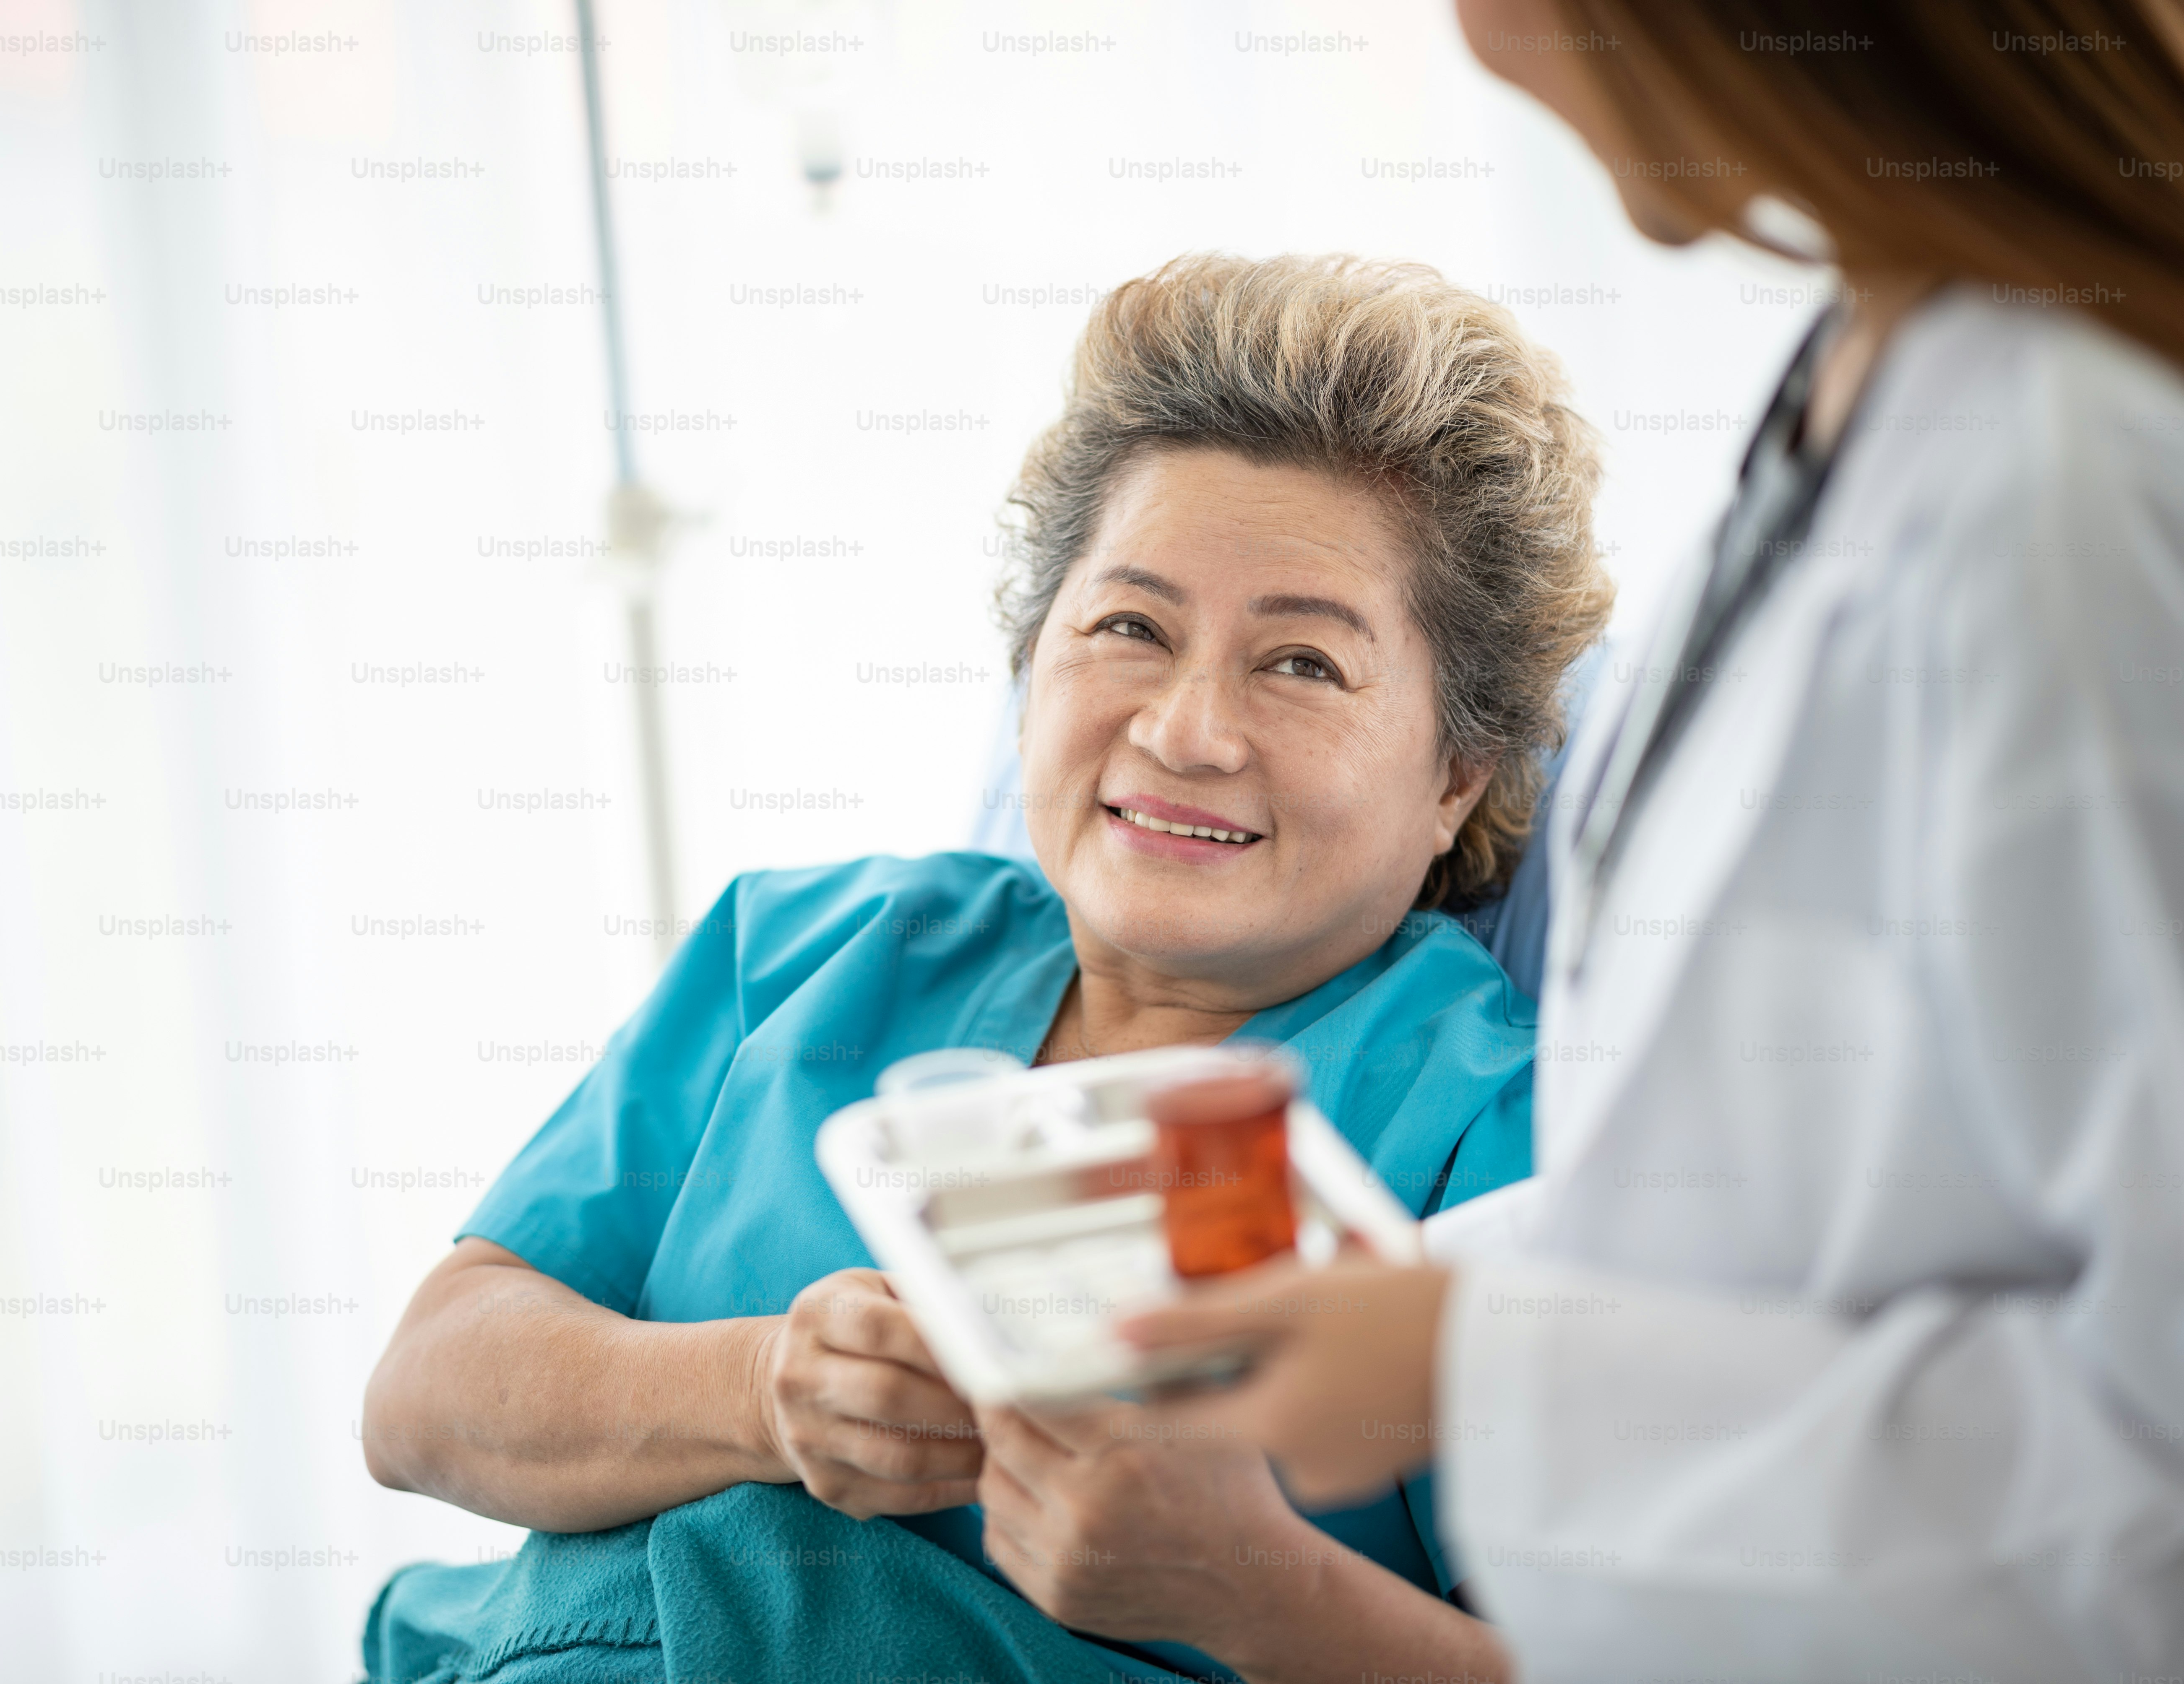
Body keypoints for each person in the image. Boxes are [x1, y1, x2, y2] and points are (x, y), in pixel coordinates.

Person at [357, 253, 1611, 1684]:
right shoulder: (804, 953)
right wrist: (762, 1391)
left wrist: (1253, 1596)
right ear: (1033, 668)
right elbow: (422, 1401)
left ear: (1458, 771)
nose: (1186, 731)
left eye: (1304, 666)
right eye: (1129, 627)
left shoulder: (1498, 1137)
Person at [1121, 3, 2184, 1680]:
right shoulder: (1876, 386)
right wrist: (1369, 1299)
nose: (1478, 46)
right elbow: (1822, 1191)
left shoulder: (2074, 489)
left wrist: (1468, 1366)